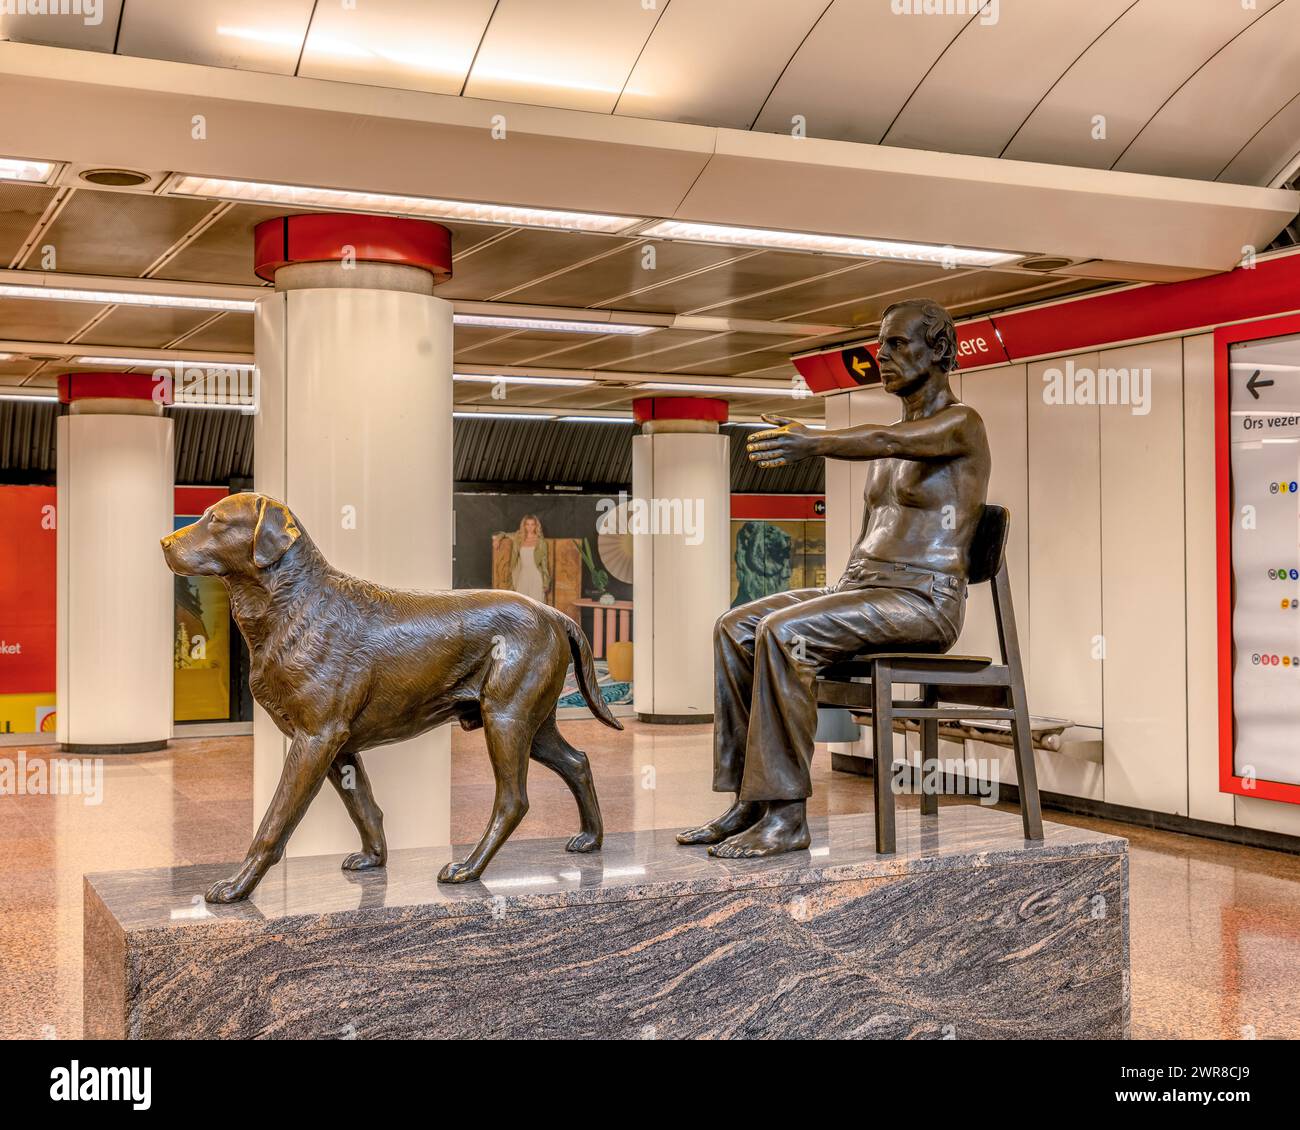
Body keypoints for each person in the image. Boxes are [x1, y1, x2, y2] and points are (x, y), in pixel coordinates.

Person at [678, 298, 991, 858]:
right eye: (880, 344)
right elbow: (875, 521)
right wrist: (840, 589)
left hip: (924, 600)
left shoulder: (960, 425)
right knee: (735, 627)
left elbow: (886, 440)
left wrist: (815, 441)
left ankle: (788, 815)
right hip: (868, 588)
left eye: (897, 343)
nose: (882, 354)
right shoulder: (894, 439)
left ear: (940, 350)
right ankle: (750, 799)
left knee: (781, 633)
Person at [506, 515, 550, 603]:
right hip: (522, 576)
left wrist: (546, 582)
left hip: (536, 576)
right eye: (527, 524)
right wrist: (497, 539)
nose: (530, 527)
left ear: (536, 526)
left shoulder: (541, 542)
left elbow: (544, 564)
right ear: (524, 526)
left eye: (532, 524)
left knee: (537, 605)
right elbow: (505, 534)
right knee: (521, 604)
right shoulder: (518, 539)